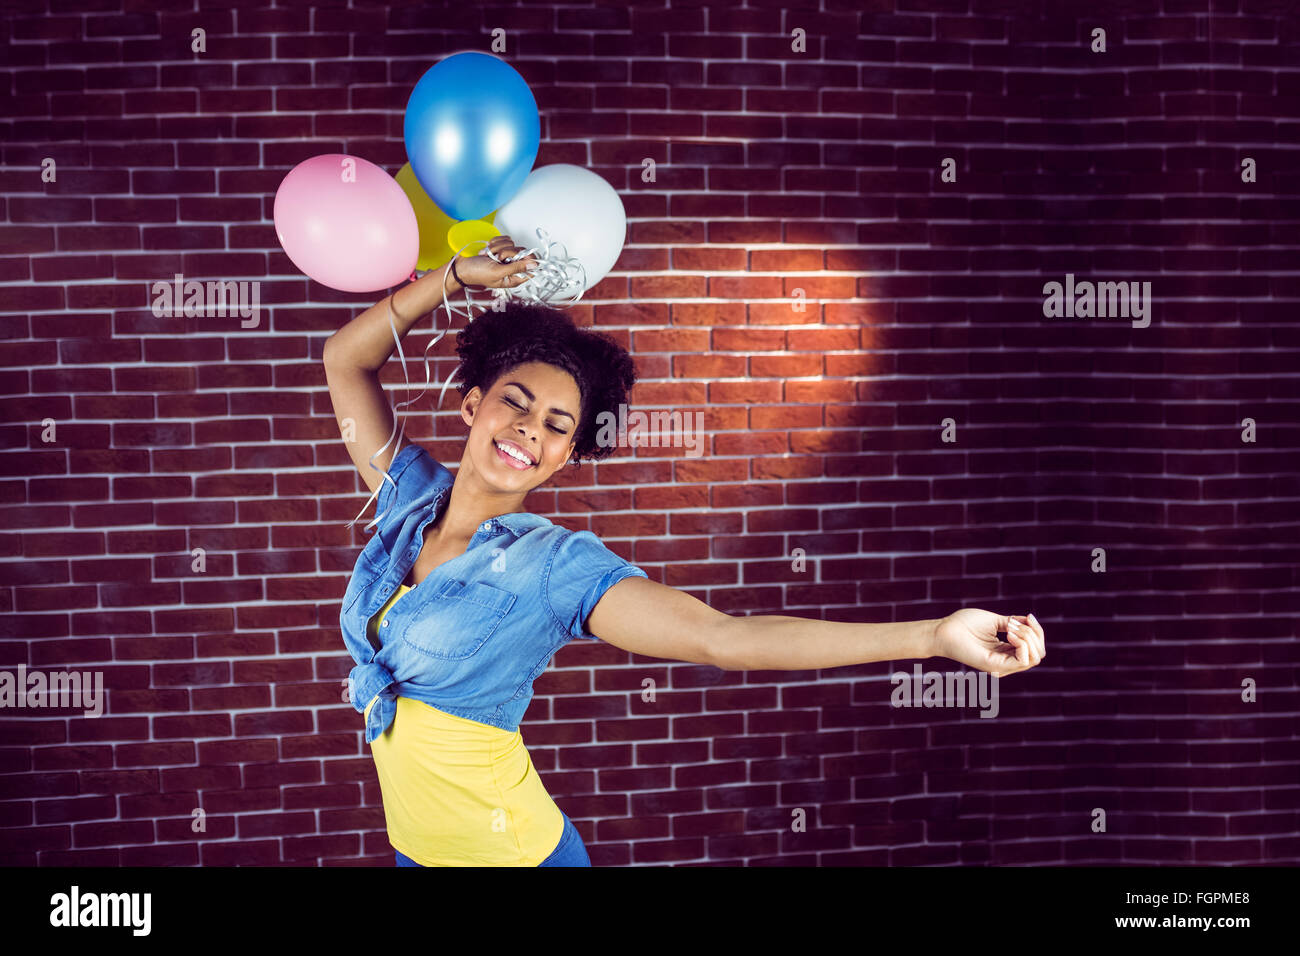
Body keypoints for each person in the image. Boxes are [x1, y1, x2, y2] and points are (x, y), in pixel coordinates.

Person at [322, 236, 1047, 867]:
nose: (526, 431)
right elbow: (344, 360)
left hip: (510, 855)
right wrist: (453, 280)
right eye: (514, 401)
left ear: (567, 455)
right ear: (470, 404)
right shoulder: (408, 497)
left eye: (555, 424)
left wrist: (932, 636)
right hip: (417, 851)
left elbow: (723, 638)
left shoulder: (556, 567)